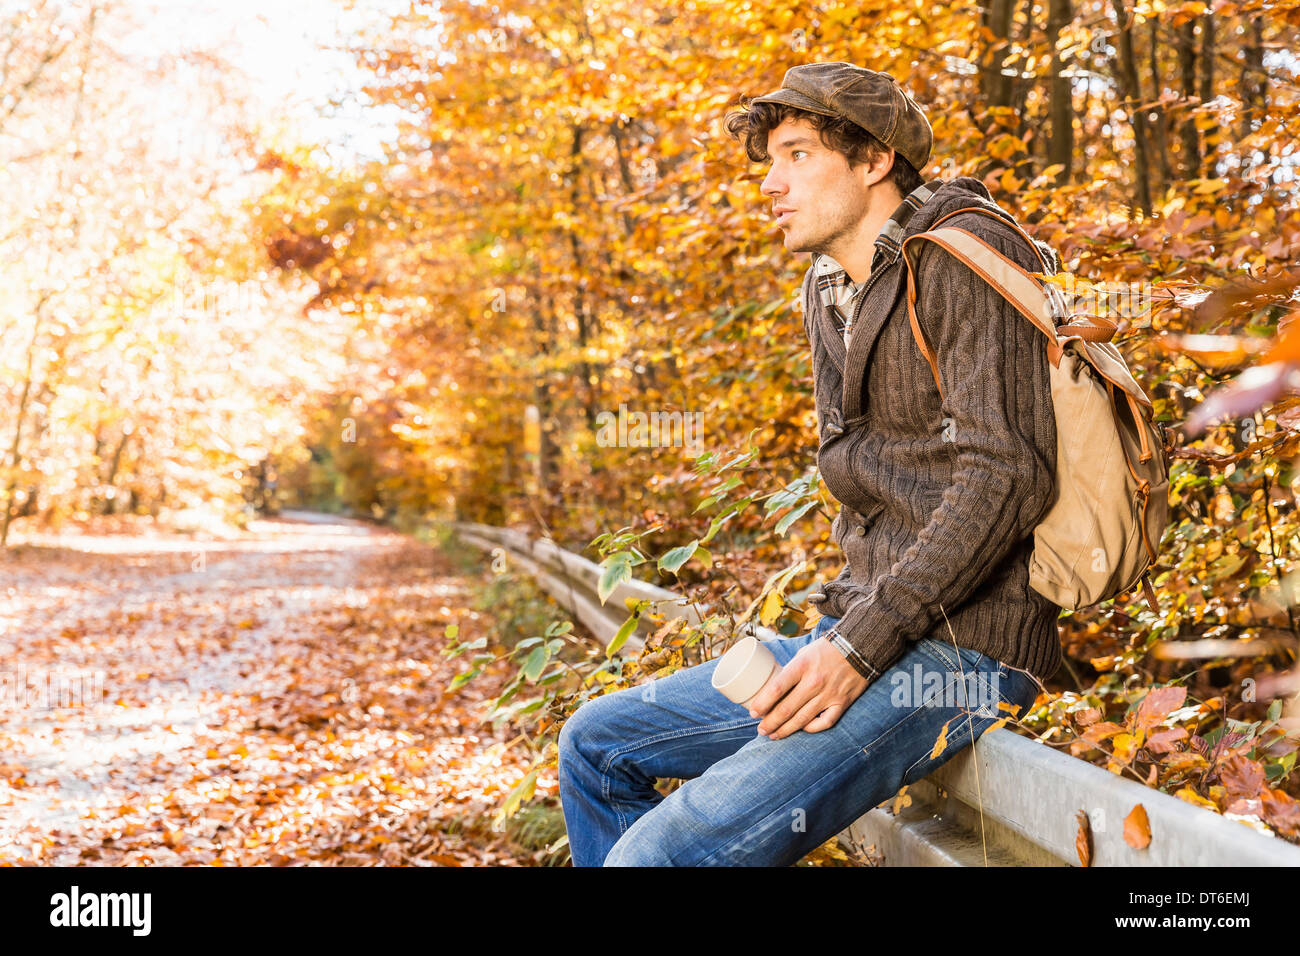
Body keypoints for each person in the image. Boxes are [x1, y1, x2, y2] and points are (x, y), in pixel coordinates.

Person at [557, 62, 1061, 866]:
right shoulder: (828, 286)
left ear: (873, 163)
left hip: (966, 655)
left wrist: (859, 646)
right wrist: (846, 637)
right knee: (596, 744)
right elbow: (868, 480)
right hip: (862, 632)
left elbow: (1007, 474)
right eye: (769, 161)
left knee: (654, 858)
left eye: (796, 155)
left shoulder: (966, 253)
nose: (770, 183)